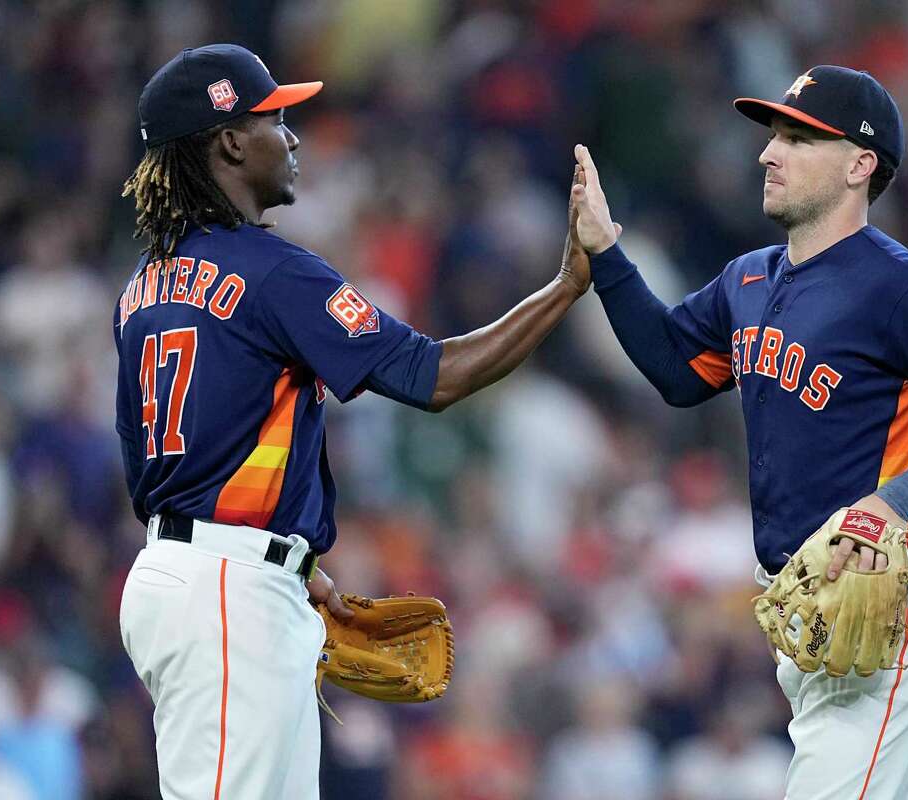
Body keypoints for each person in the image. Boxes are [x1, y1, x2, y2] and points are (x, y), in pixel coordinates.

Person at [114, 44, 591, 799]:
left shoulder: (143, 284)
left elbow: (180, 458)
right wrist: (569, 284)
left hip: (191, 575)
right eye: (275, 118)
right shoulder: (271, 270)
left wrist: (292, 557)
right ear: (231, 140)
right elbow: (434, 376)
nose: (293, 137)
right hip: (227, 589)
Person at [569, 65, 908, 799]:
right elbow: (675, 371)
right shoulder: (747, 279)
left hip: (890, 612)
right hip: (819, 614)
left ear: (860, 164)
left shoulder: (907, 285)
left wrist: (891, 503)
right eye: (773, 134)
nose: (768, 152)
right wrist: (605, 254)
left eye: (797, 137)